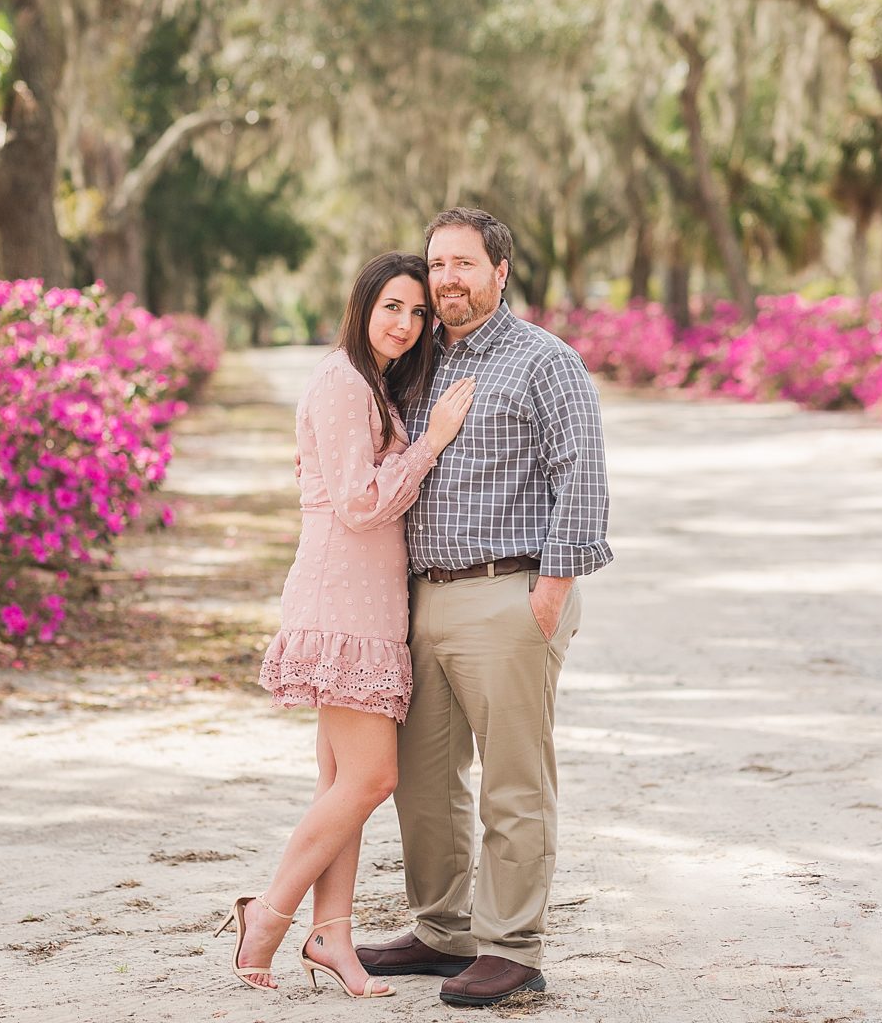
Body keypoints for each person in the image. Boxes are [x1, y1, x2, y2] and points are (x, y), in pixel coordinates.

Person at [355, 208, 612, 1007]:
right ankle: (443, 930)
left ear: (501, 272)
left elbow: (584, 478)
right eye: (437, 266)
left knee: (513, 783)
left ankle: (513, 949)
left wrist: (549, 594)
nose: (448, 280)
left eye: (464, 264)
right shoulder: (418, 363)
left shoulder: (546, 362)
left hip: (510, 595)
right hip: (423, 600)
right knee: (423, 782)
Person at [215, 252, 476, 998]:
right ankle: (266, 914)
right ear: (363, 306)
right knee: (373, 776)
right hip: (342, 601)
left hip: (366, 599)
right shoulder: (340, 383)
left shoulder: (369, 386)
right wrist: (433, 442)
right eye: (392, 306)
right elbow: (360, 503)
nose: (406, 323)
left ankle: (332, 937)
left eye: (418, 312)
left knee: (341, 783)